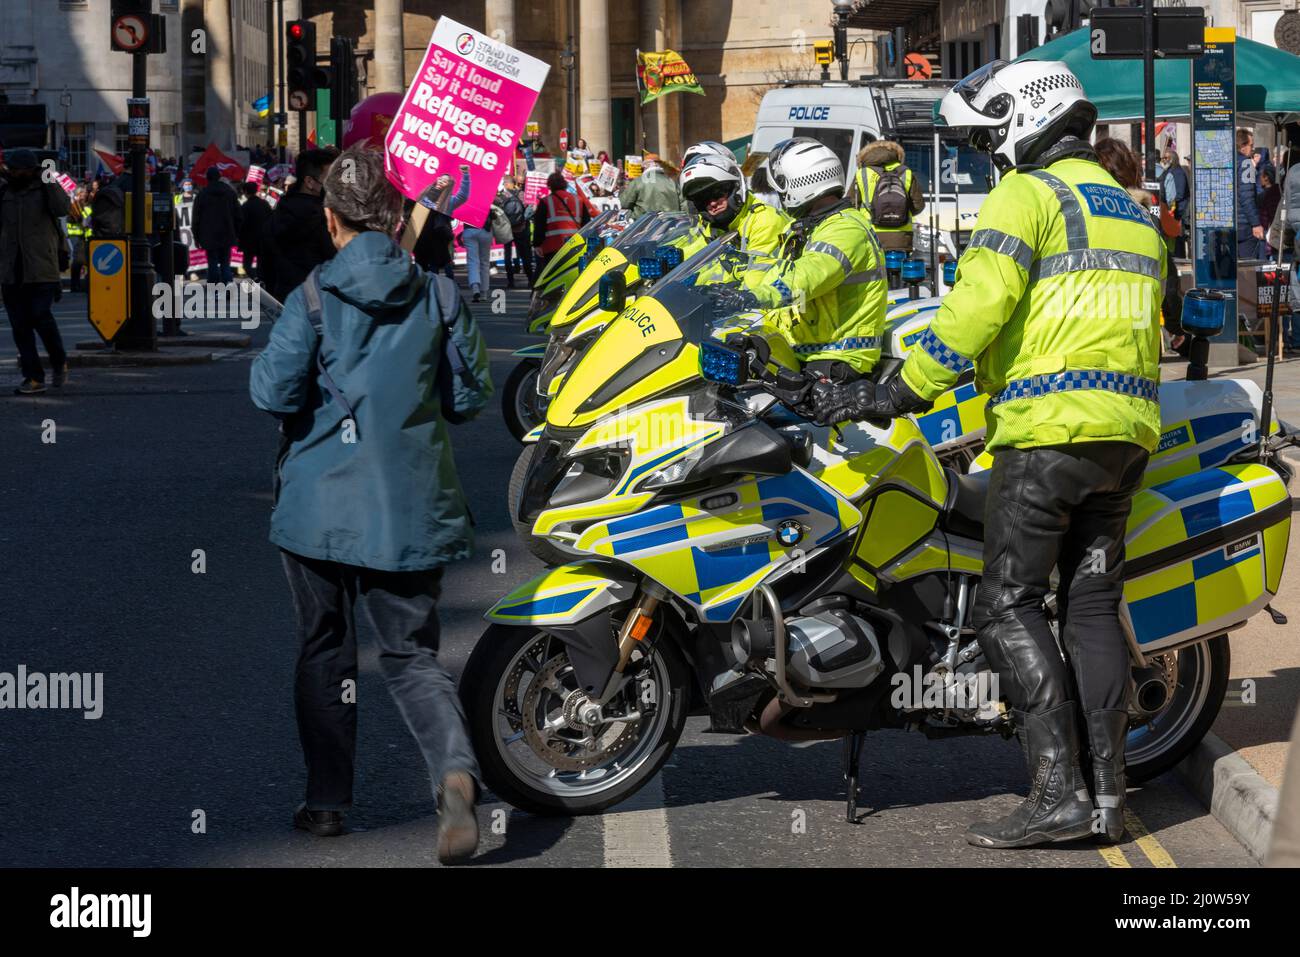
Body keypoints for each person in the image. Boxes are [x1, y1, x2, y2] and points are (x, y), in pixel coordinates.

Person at [814, 60, 1165, 848]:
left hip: (1046, 435)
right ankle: (1108, 796)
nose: (987, 158)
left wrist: (897, 390)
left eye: (985, 140)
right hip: (1126, 438)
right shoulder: (1132, 209)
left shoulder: (1028, 195)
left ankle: (1056, 793)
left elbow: (975, 309)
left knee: (1010, 602)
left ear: (1020, 117)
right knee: (1093, 604)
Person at [249, 145, 488, 864]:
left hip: (316, 509)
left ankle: (326, 803)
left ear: (330, 220)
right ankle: (454, 772)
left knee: (325, 650)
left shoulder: (313, 296)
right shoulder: (439, 293)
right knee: (412, 656)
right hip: (408, 505)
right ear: (392, 215)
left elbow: (271, 393)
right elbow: (470, 396)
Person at [751, 138, 889, 382]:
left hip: (841, 360)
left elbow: (805, 278)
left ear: (796, 185)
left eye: (781, 187)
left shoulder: (846, 229)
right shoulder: (809, 227)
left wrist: (752, 296)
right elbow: (775, 273)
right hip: (810, 351)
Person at [0, 148, 72, 395]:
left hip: (42, 267)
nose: (12, 172)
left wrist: (48, 180)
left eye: (16, 168)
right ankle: (33, 377)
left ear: (30, 170)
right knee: (20, 326)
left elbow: (63, 208)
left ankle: (58, 360)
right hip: (12, 271)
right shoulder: (4, 191)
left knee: (41, 317)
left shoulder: (44, 188)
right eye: (10, 168)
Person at [678, 149, 789, 256]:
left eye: (717, 193)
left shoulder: (765, 221)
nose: (712, 203)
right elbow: (698, 251)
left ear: (735, 188)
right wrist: (676, 256)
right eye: (702, 199)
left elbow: (757, 272)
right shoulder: (717, 228)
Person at [262, 148, 338, 303]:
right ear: (309, 182)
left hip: (287, 300)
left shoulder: (278, 212)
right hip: (321, 303)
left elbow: (265, 264)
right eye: (330, 179)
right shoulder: (324, 217)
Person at [852, 139, 926, 252]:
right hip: (901, 236)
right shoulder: (906, 172)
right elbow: (918, 205)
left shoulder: (862, 174)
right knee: (900, 268)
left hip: (871, 235)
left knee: (875, 269)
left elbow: (851, 205)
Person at [411, 166, 471, 282]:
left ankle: (446, 286)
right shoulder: (423, 193)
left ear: (448, 185)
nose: (441, 181)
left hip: (438, 237)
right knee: (422, 265)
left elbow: (463, 196)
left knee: (439, 264)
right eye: (440, 179)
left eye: (445, 181)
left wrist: (466, 175)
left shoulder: (449, 201)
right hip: (421, 237)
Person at [192, 167, 242, 284]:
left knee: (212, 262)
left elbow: (196, 218)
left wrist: (196, 237)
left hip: (208, 234)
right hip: (227, 233)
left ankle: (213, 288)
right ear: (219, 177)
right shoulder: (230, 193)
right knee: (225, 263)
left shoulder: (202, 195)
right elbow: (238, 215)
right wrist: (236, 233)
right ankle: (228, 286)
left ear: (207, 178)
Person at [531, 171, 586, 270]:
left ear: (549, 186)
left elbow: (539, 225)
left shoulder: (545, 201)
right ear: (564, 184)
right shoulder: (579, 200)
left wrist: (537, 244)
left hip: (552, 247)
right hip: (575, 246)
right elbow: (586, 223)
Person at [619, 154, 685, 219]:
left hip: (644, 225)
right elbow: (684, 206)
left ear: (644, 167)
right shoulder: (672, 182)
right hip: (669, 225)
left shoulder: (637, 182)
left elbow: (623, 203)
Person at [496, 176, 534, 288]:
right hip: (521, 229)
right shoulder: (521, 194)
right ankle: (530, 280)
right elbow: (530, 209)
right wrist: (523, 220)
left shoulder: (501, 197)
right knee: (525, 255)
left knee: (507, 255)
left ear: (506, 184)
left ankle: (511, 281)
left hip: (507, 230)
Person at [1237, 128, 1268, 261]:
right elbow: (1247, 197)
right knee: (1247, 270)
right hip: (1244, 224)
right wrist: (1256, 223)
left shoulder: (1225, 163)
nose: (1253, 149)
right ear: (1242, 146)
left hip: (1227, 224)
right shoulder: (1246, 164)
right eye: (1251, 145)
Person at [237, 182, 273, 283]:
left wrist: (239, 239)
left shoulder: (245, 206)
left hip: (249, 241)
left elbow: (241, 225)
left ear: (245, 192)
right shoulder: (264, 204)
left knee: (246, 265)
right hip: (264, 239)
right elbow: (271, 219)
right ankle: (261, 281)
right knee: (261, 264)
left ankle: (257, 279)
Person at [1159, 147, 1191, 258]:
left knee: (1177, 241)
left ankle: (1178, 259)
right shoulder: (1169, 171)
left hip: (1176, 211)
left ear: (1172, 159)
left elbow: (1180, 193)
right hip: (1172, 210)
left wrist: (1171, 207)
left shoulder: (1177, 172)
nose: (1163, 160)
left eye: (1166, 158)